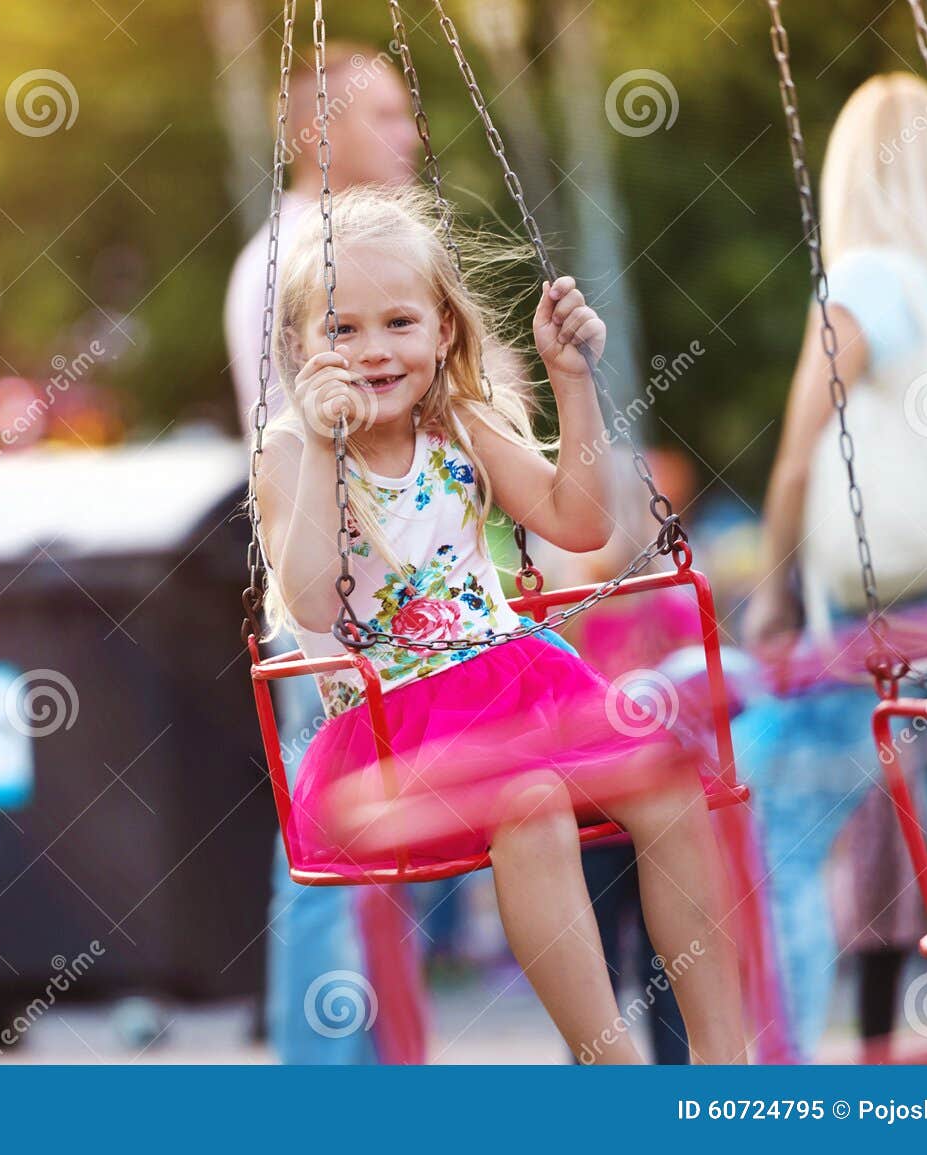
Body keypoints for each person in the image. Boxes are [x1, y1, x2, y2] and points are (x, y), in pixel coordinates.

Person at [255, 184, 747, 1063]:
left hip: (520, 678)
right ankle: (612, 1067)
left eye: (399, 322)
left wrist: (571, 380)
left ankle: (723, 1065)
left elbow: (581, 523)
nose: (374, 350)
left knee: (668, 781)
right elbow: (313, 603)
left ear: (444, 330)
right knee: (528, 803)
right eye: (342, 330)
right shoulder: (292, 451)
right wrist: (328, 446)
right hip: (401, 722)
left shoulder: (461, 425)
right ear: (301, 348)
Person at [739, 72, 927, 1061]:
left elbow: (805, 447)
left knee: (777, 832)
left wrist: (773, 590)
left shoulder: (867, 279)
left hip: (887, 615)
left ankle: (775, 1079)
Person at [225, 42, 425, 1065]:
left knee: (358, 846)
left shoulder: (312, 244)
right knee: (332, 844)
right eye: (383, 115)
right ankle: (323, 1081)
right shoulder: (308, 252)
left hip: (363, 587)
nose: (408, 135)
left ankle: (358, 1071)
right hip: (340, 591)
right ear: (317, 134)